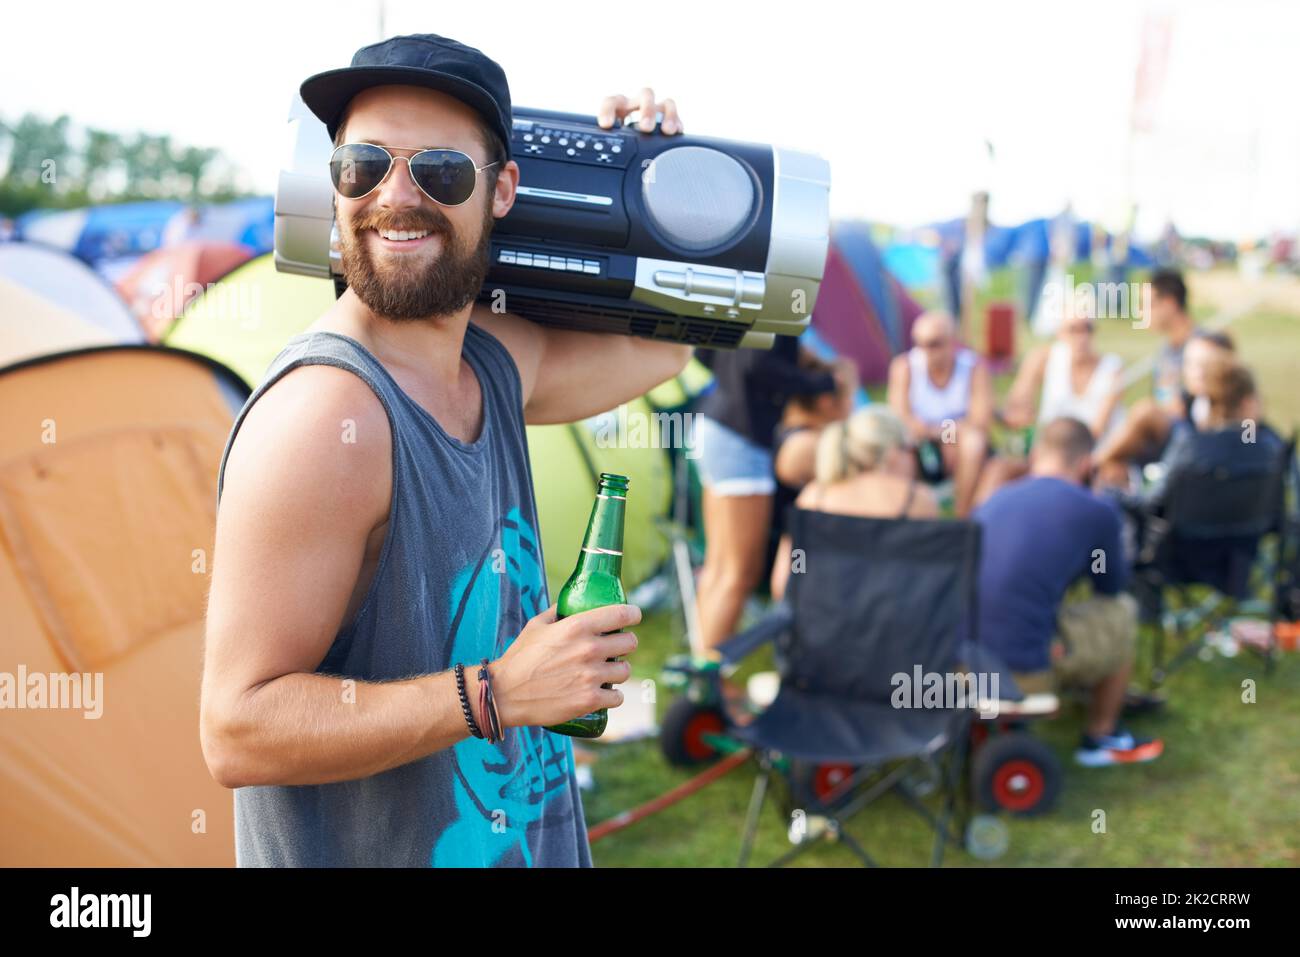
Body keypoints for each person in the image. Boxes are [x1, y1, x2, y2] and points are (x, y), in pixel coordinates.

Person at [200, 33, 693, 868]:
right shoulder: (326, 418)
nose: (394, 197)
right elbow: (237, 730)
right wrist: (497, 694)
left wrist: (640, 179)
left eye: (441, 171)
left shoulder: (493, 367)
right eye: (363, 164)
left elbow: (667, 347)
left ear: (502, 189)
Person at [972, 417, 1163, 767]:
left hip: (958, 664)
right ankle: (1100, 736)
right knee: (1121, 611)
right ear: (1087, 465)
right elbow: (1110, 585)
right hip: (1020, 671)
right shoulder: (1097, 510)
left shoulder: (994, 500)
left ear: (1036, 456)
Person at [691, 338, 851, 657]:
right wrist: (823, 381)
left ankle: (701, 670)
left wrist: (732, 380)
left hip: (714, 423)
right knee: (739, 575)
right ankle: (711, 684)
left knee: (720, 567)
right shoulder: (784, 295)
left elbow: (704, 351)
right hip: (742, 435)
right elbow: (757, 366)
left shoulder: (746, 292)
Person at [770, 405, 938, 601]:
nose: (915, 461)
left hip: (825, 619)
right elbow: (929, 581)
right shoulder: (916, 499)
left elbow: (785, 582)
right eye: (911, 450)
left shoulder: (813, 498)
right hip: (896, 620)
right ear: (893, 453)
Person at [975, 306, 1124, 504]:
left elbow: (1095, 431)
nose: (1081, 337)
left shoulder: (1112, 369)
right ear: (1059, 333)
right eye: (1073, 329)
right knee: (997, 470)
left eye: (1087, 329)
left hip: (1089, 457)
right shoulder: (1046, 358)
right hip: (1048, 457)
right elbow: (1016, 406)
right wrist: (1019, 407)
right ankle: (973, 527)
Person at [1094, 329, 1240, 488]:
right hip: (1177, 474)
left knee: (1146, 413)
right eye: (1190, 363)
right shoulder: (1184, 402)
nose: (1198, 372)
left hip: (1212, 476)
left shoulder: (1241, 409)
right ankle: (1093, 467)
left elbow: (1254, 445)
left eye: (1207, 364)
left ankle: (1090, 467)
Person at [886, 310, 994, 516]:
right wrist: (948, 434)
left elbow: (980, 421)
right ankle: (902, 515)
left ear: (951, 342)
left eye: (934, 344)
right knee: (896, 450)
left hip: (957, 443)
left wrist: (940, 435)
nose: (926, 350)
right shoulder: (904, 366)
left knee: (973, 442)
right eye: (920, 343)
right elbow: (901, 419)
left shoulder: (973, 367)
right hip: (921, 446)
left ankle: (962, 516)